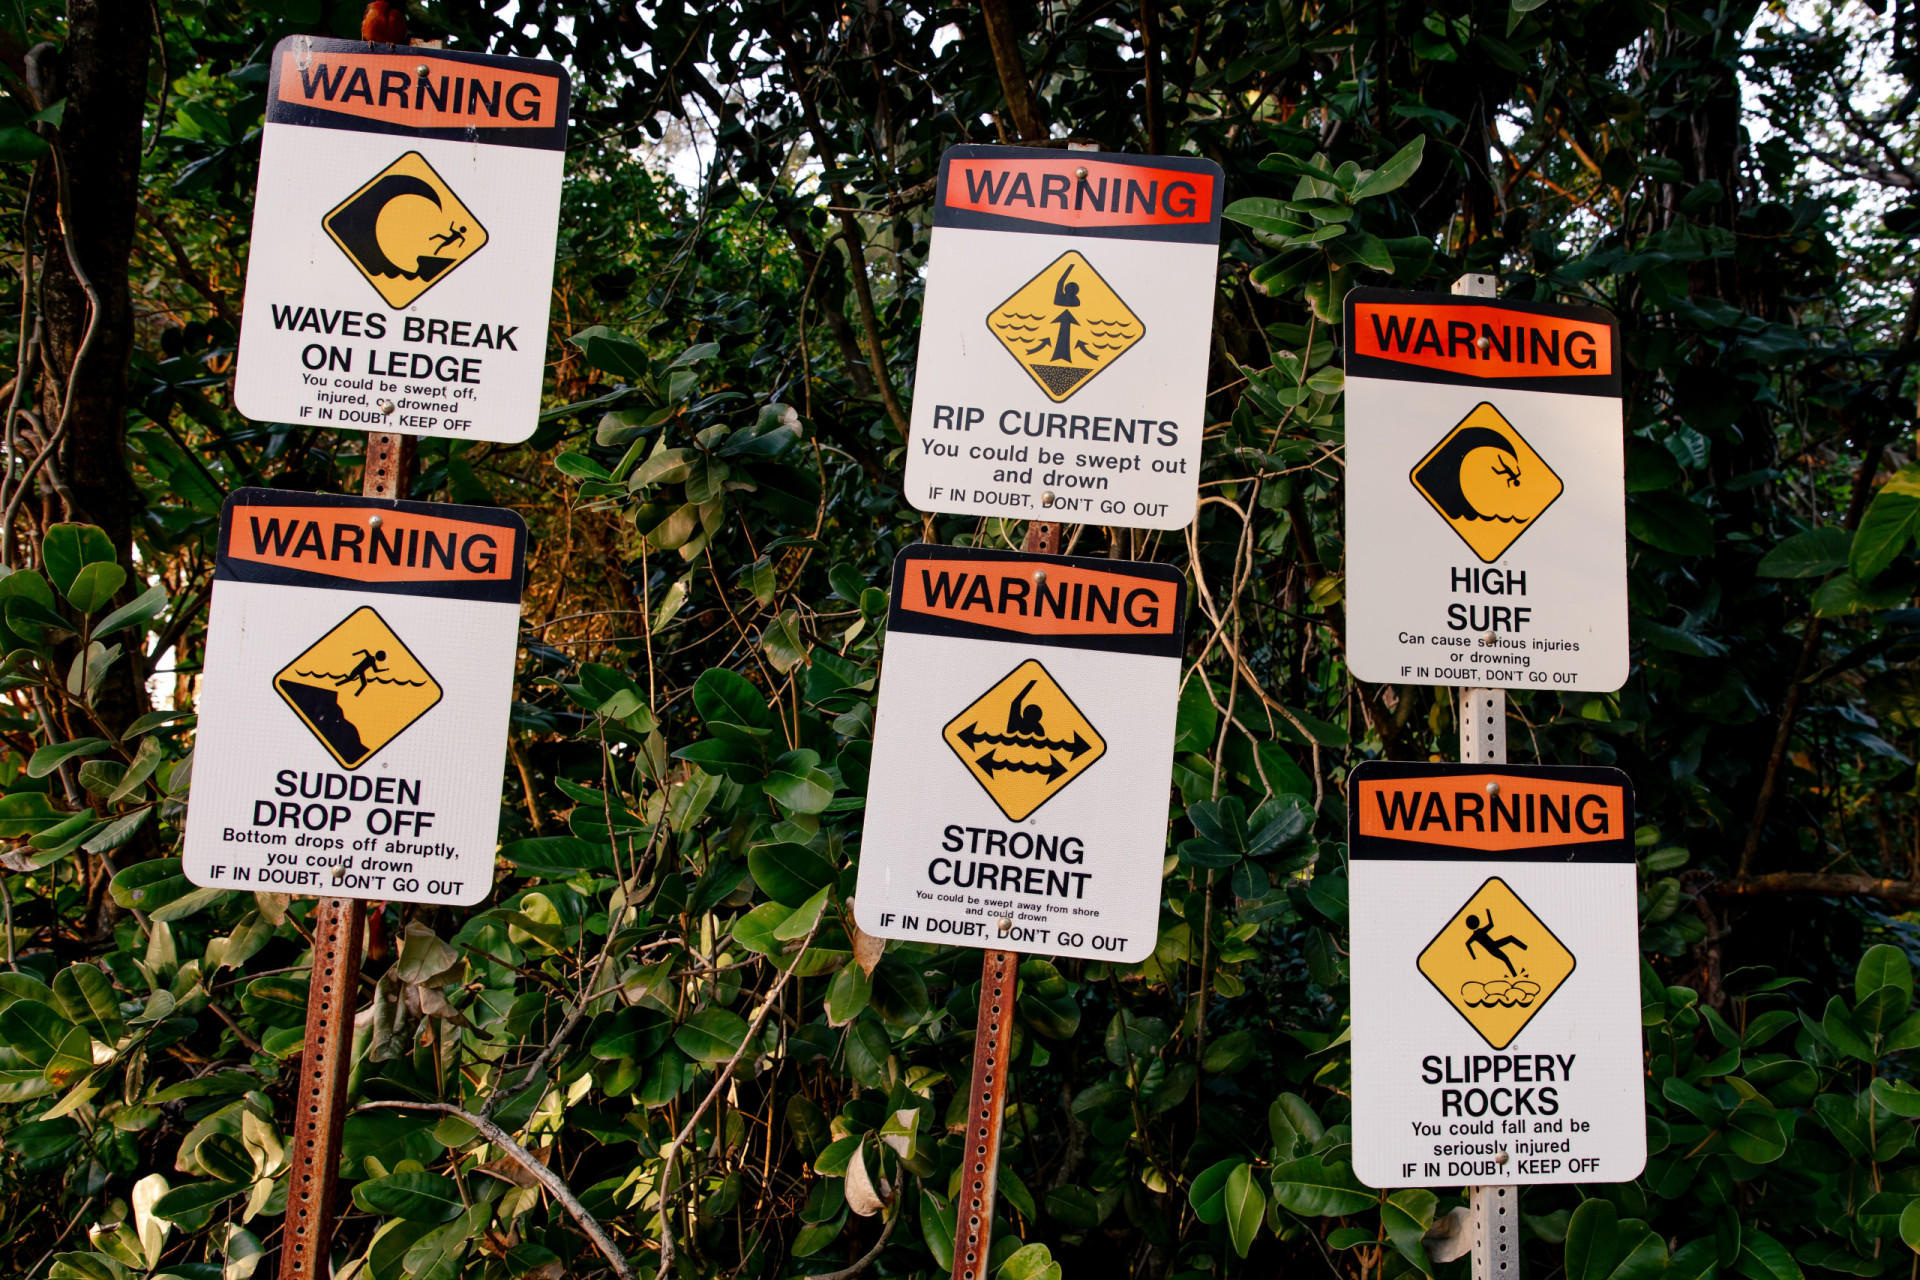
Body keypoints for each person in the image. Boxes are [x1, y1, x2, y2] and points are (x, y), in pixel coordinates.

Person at [1465, 911, 1527, 977]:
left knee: (1510, 939)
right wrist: (1488, 913)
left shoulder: (1479, 932)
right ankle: (1514, 975)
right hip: (1492, 949)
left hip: (1495, 944)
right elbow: (1467, 943)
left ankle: (1525, 948)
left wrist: (1473, 956)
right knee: (1506, 958)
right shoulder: (1477, 934)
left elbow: (1468, 943)